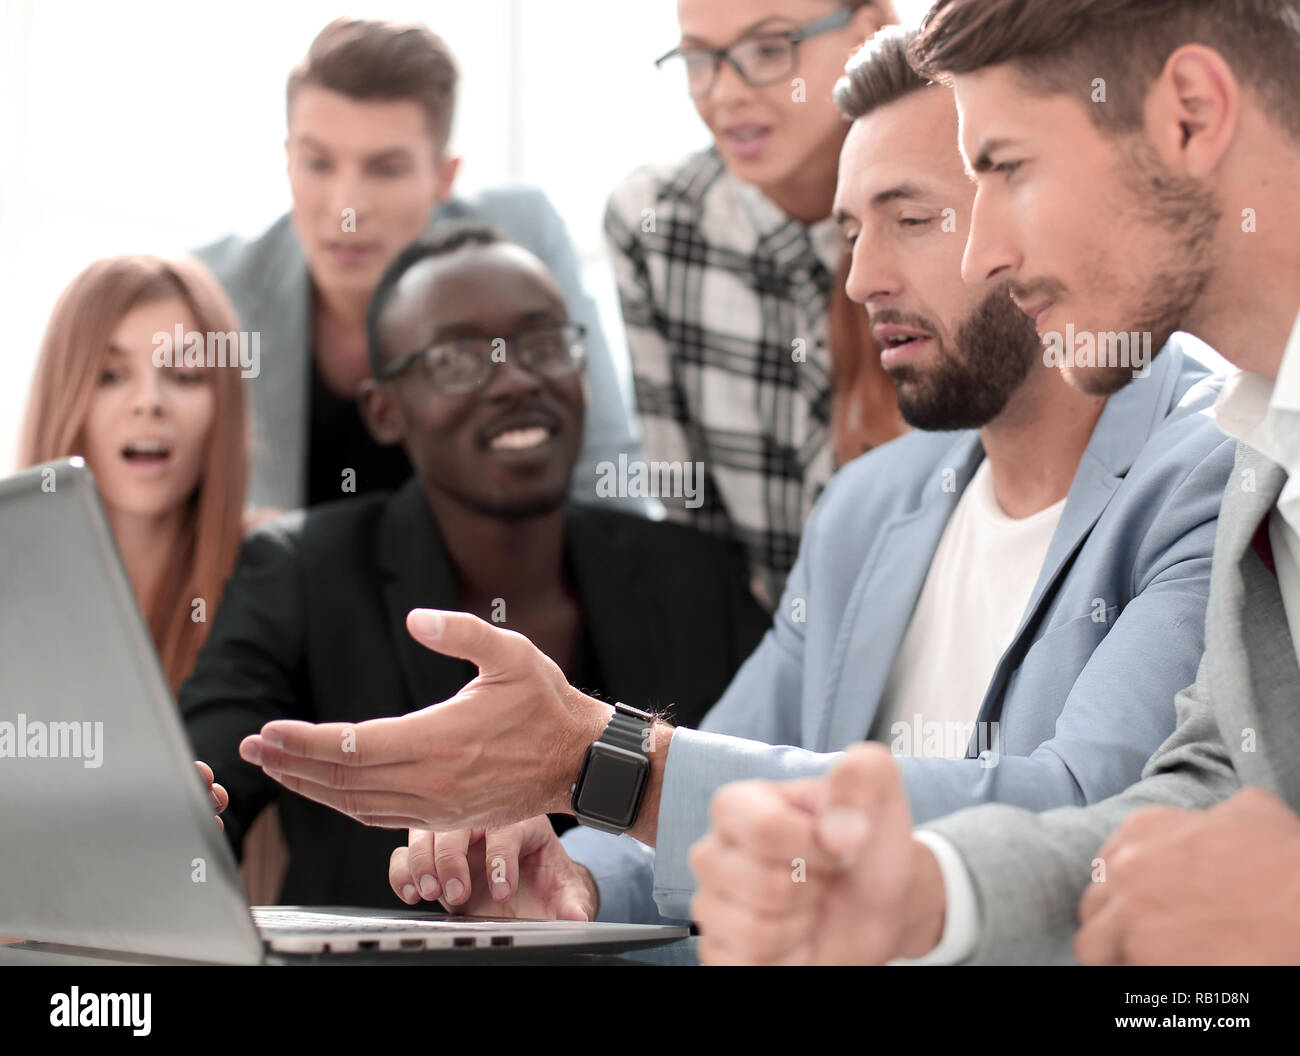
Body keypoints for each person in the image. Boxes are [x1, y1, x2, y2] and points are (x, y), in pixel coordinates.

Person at [234, 28, 1234, 927]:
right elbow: (721, 784)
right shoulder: (868, 507)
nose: (861, 278)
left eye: (911, 218)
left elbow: (1083, 816)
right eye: (850, 230)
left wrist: (598, 757)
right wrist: (580, 886)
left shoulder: (1209, 475)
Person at [689, 0, 1300, 966]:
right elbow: (1188, 801)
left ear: (1190, 114)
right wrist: (933, 895)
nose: (985, 255)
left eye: (1006, 169)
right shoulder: (1271, 456)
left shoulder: (1210, 471)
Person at [183, 223, 768, 909]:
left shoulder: (691, 572)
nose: (516, 379)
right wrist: (181, 816)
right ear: (385, 410)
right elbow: (210, 777)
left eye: (544, 344)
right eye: (459, 358)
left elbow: (767, 799)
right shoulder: (302, 571)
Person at [196, 17, 641, 513]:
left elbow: (605, 473)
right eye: (318, 164)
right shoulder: (212, 292)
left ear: (443, 177)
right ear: (287, 160)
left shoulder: (521, 243)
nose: (347, 208)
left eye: (386, 169)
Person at [609, 0, 908, 606]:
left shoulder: (960, 220)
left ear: (868, 33)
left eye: (768, 50)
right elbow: (688, 520)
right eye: (698, 59)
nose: (724, 94)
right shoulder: (656, 223)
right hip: (757, 655)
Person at [15, 254, 284, 902]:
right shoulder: (14, 588)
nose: (148, 403)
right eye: (110, 374)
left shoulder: (282, 572)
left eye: (184, 374)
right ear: (66, 390)